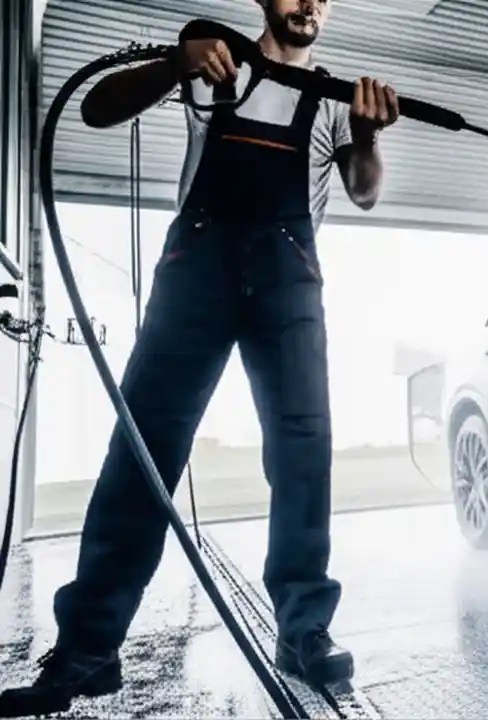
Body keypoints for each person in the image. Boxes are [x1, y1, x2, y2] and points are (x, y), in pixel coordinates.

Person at [0, 0, 399, 715]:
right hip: (194, 279)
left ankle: (303, 629)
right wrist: (173, 63)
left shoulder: (337, 101)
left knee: (304, 454)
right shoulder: (217, 63)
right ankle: (88, 648)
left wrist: (367, 136)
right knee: (142, 451)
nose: (309, 2)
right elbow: (96, 108)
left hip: (287, 287)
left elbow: (365, 193)